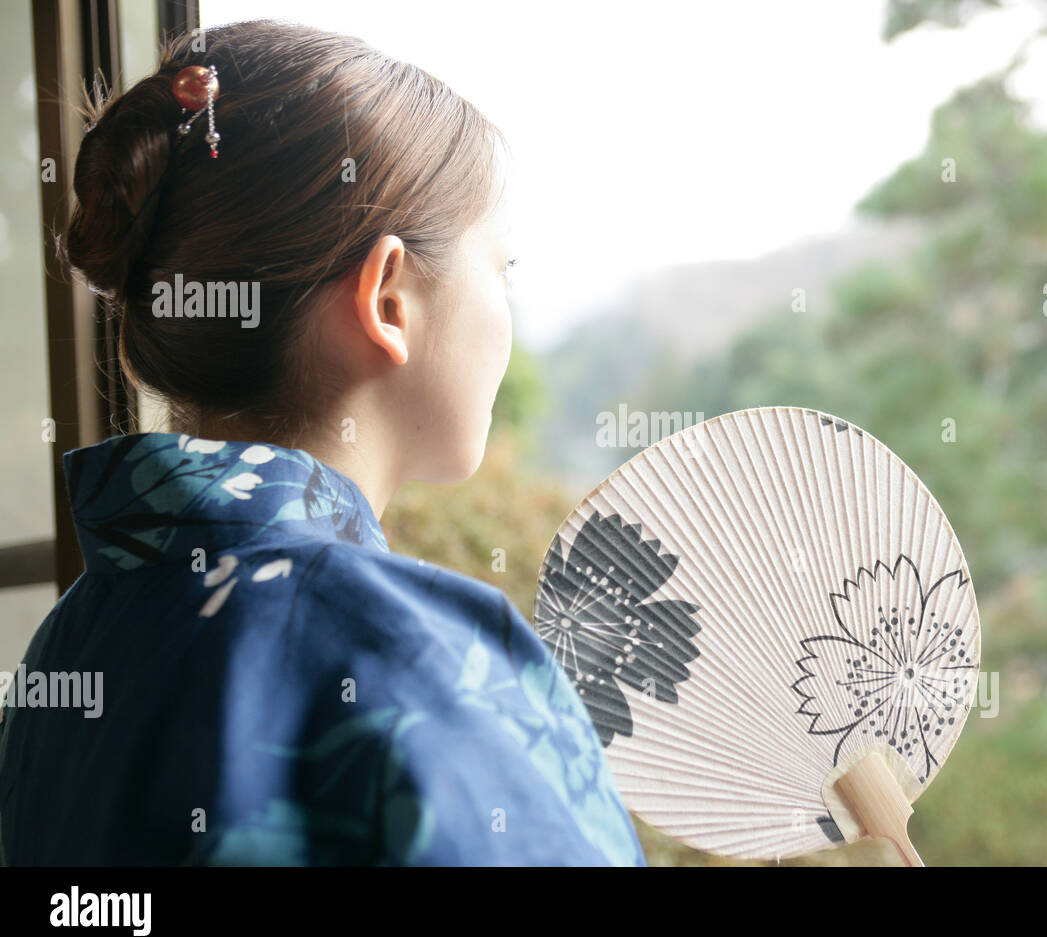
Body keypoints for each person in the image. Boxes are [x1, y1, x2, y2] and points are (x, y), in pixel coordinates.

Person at [0, 19, 645, 866]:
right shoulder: (416, 655)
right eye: (504, 267)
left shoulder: (70, 642)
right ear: (386, 300)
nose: (506, 306)